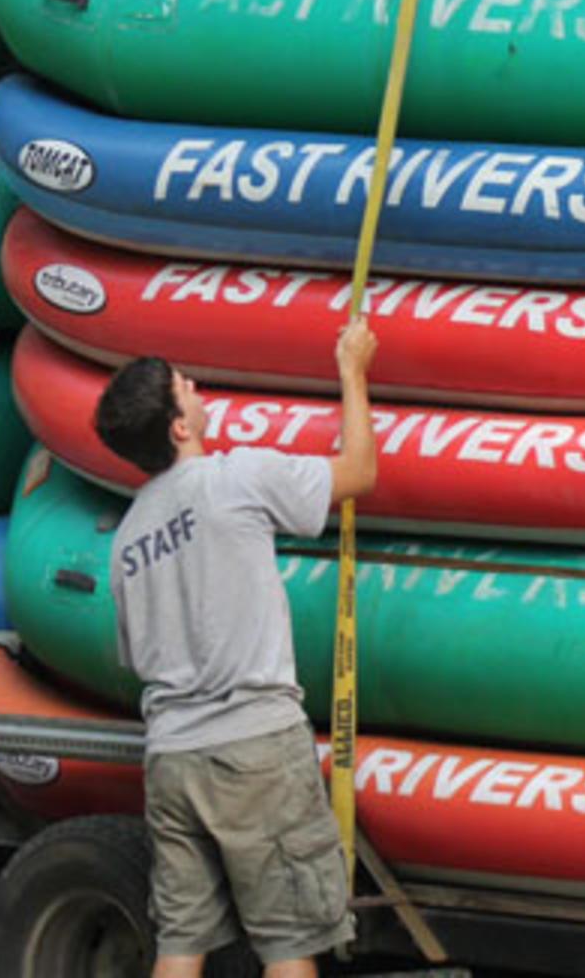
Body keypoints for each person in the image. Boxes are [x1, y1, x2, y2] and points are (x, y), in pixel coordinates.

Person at [92, 318, 379, 978]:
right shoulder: (236, 477)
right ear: (178, 427)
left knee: (181, 942)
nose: (194, 386)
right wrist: (353, 371)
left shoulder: (128, 539)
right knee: (286, 942)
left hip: (171, 758)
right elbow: (358, 473)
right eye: (181, 386)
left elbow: (137, 659)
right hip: (253, 752)